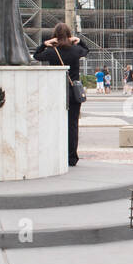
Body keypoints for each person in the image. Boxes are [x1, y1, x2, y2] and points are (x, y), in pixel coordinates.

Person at [32, 23, 89, 167]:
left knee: (55, 123)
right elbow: (86, 50)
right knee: (73, 124)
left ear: (55, 36)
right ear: (69, 35)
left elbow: (36, 56)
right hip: (73, 91)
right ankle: (72, 157)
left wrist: (44, 44)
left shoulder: (52, 51)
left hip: (56, 91)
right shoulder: (76, 50)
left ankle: (56, 152)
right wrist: (78, 40)